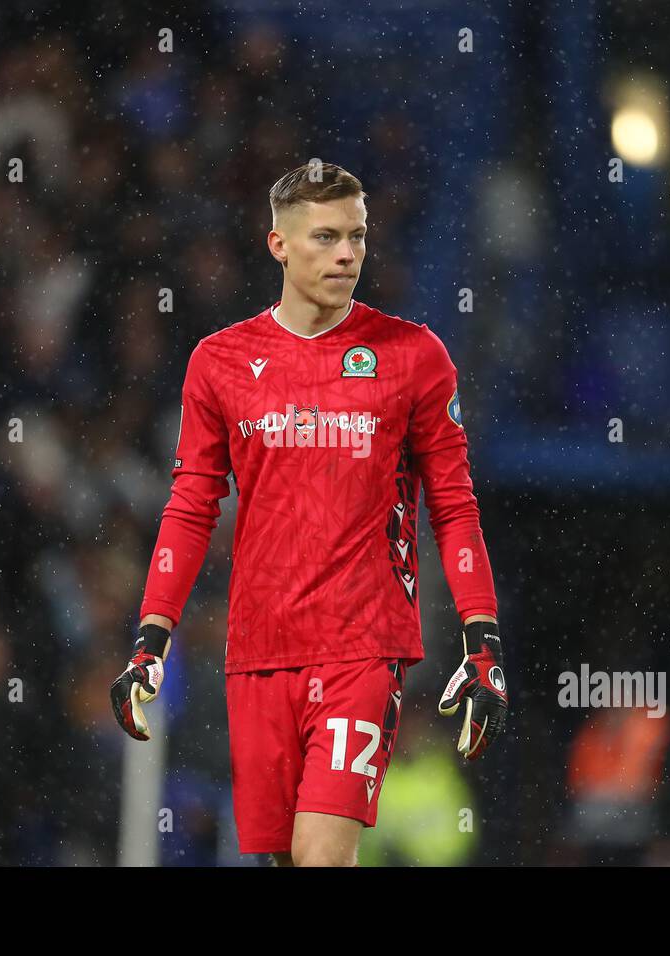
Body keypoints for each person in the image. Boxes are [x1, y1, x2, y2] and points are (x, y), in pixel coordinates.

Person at [111, 162, 508, 866]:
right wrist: (151, 639)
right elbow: (190, 507)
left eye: (357, 236)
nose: (348, 254)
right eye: (326, 237)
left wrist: (484, 643)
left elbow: (452, 503)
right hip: (259, 652)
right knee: (282, 860)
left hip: (363, 646)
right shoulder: (220, 362)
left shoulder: (412, 357)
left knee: (322, 855)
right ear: (279, 246)